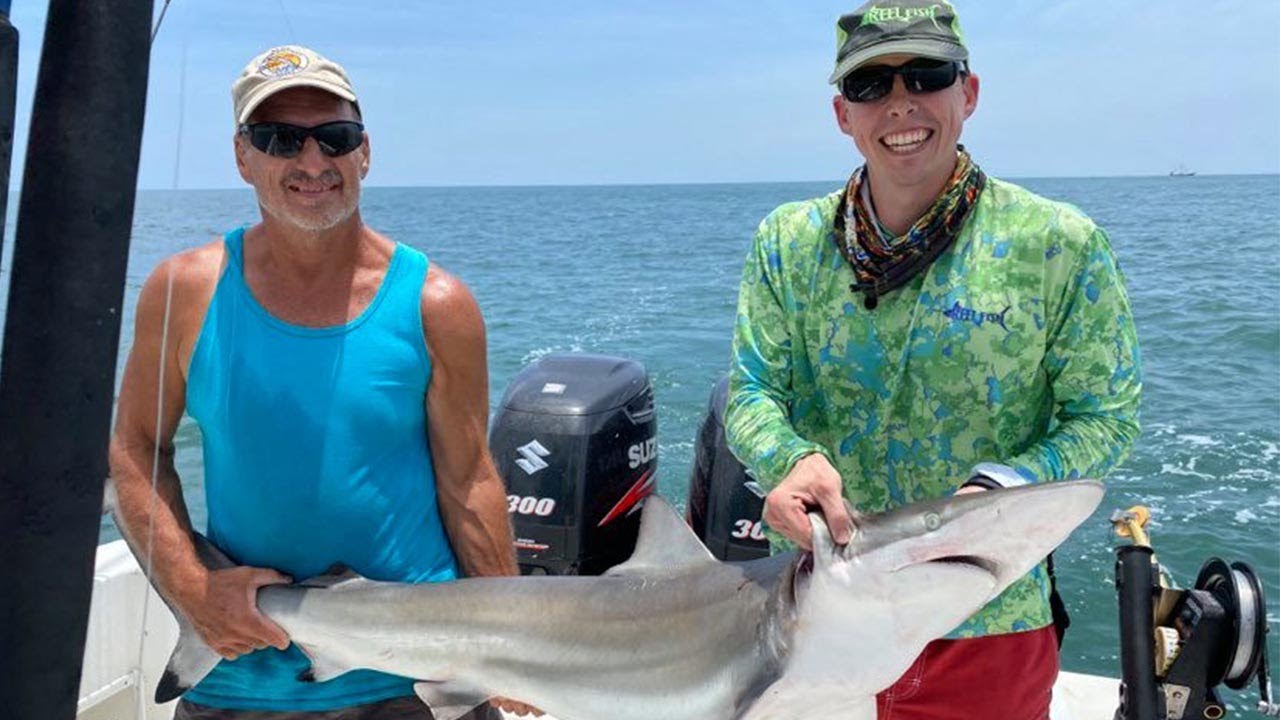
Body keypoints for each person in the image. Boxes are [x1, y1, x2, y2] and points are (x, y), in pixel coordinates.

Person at [724, 2, 1142, 718]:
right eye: (871, 87)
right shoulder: (785, 243)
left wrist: (1001, 490)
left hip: (984, 623)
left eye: (926, 76)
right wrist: (785, 457)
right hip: (812, 617)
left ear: (968, 93)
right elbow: (751, 391)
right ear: (841, 114)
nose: (900, 105)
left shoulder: (1059, 243)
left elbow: (1106, 416)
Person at [109, 45, 536, 719]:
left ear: (364, 152)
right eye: (278, 138)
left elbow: (469, 480)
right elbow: (134, 448)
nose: (312, 162)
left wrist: (512, 645)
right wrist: (194, 592)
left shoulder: (437, 303)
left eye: (334, 137)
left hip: (412, 679)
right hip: (239, 671)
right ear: (243, 156)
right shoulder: (184, 291)